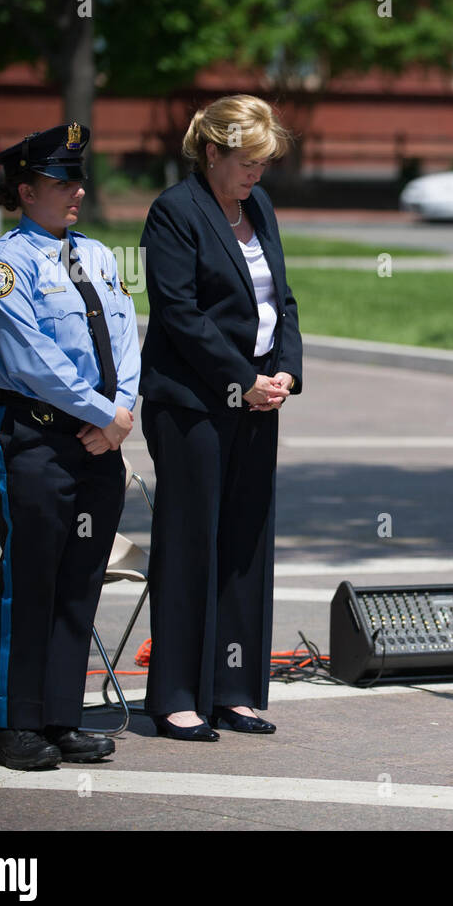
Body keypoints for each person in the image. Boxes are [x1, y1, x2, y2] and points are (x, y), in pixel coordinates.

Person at [0, 123, 140, 769]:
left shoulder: (95, 254)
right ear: (26, 188)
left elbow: (126, 339)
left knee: (79, 579)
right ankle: (14, 724)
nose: (78, 191)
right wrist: (107, 415)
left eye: (78, 179)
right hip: (34, 435)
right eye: (63, 181)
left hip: (99, 437)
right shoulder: (5, 268)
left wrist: (123, 411)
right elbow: (35, 363)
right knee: (30, 579)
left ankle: (62, 716)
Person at [139, 94, 302, 740]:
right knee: (190, 544)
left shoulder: (258, 207)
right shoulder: (175, 214)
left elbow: (282, 298)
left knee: (245, 544)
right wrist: (243, 379)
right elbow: (180, 315)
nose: (257, 173)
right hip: (193, 405)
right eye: (247, 160)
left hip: (261, 400)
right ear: (211, 152)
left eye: (264, 162)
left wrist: (284, 369)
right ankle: (177, 694)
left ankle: (233, 687)